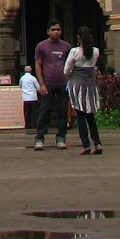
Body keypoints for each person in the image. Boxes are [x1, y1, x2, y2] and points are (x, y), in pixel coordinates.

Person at [64, 26, 103, 155]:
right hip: (90, 84)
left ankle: (86, 144)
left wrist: (72, 75)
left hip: (77, 84)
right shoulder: (96, 51)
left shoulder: (75, 51)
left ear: (78, 38)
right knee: (90, 115)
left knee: (80, 115)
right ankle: (97, 143)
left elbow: (67, 70)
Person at [33, 21, 72, 150]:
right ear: (48, 31)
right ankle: (39, 138)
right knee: (45, 111)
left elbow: (70, 64)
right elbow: (38, 65)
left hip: (63, 83)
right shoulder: (41, 46)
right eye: (53, 30)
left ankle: (61, 138)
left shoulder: (66, 47)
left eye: (58, 30)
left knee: (62, 112)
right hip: (48, 83)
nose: (56, 32)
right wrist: (41, 84)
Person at [19, 64, 40, 131]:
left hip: (25, 98)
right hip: (33, 97)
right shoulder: (33, 78)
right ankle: (34, 125)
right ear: (31, 71)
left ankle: (27, 125)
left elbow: (20, 86)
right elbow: (38, 87)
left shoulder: (22, 78)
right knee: (34, 112)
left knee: (27, 112)